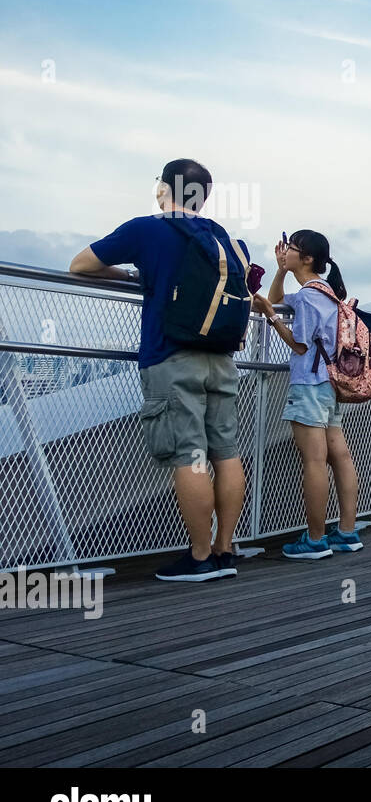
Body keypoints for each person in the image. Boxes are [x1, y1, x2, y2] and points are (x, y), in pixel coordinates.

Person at [71, 159, 250, 582]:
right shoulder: (219, 235)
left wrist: (137, 277)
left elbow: (80, 265)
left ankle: (200, 557)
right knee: (225, 452)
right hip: (221, 357)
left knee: (189, 454)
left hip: (170, 355)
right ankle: (225, 550)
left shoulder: (146, 228)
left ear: (164, 188)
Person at [252, 230, 363, 559]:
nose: (285, 251)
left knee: (314, 461)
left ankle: (315, 540)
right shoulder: (321, 290)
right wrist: (281, 269)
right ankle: (346, 532)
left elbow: (298, 342)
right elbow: (276, 298)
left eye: (292, 249)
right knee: (339, 456)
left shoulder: (311, 297)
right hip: (329, 384)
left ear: (308, 258)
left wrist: (271, 318)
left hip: (310, 383)